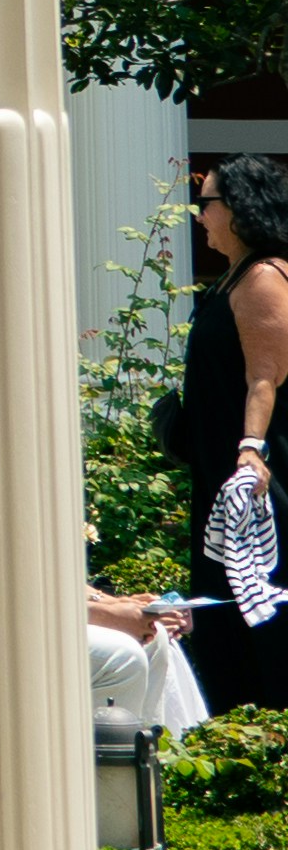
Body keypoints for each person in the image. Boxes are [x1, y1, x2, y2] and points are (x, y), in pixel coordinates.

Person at [164, 154, 288, 713]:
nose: (199, 215)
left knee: (256, 599)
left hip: (255, 475)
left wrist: (250, 451)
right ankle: (239, 725)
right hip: (221, 470)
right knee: (224, 602)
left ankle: (269, 728)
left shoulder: (265, 276)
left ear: (240, 210)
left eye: (206, 203)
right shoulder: (233, 275)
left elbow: (265, 375)